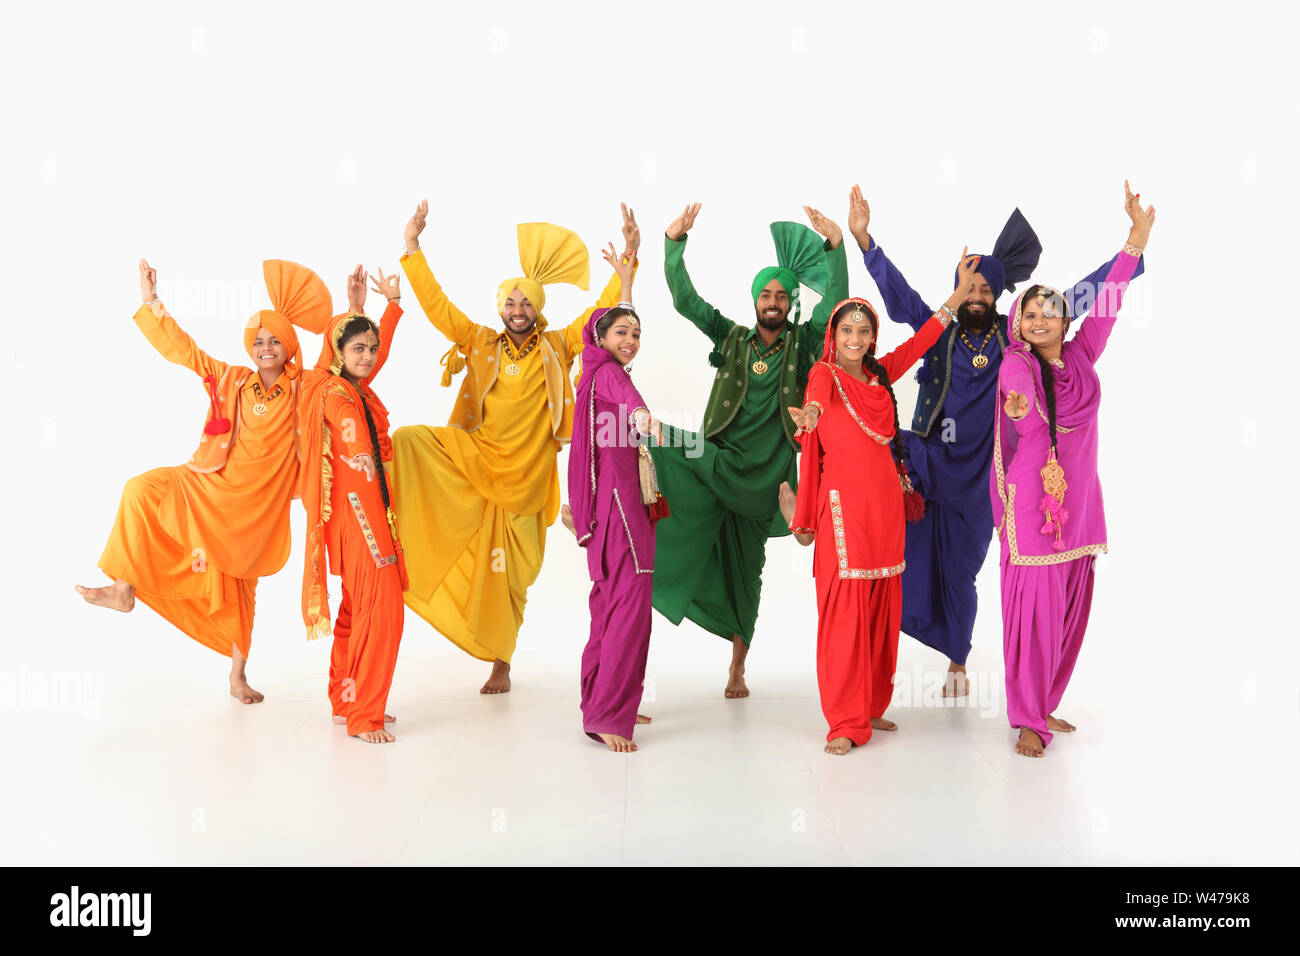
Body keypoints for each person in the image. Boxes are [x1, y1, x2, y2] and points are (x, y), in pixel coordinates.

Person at [850, 185, 1144, 695]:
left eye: (986, 289)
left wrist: (1130, 251)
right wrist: (866, 242)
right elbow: (900, 299)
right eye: (970, 289)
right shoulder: (939, 330)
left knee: (963, 572)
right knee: (909, 552)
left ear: (999, 295)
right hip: (933, 459)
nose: (978, 296)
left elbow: (1073, 298)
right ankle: (873, 656)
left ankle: (958, 659)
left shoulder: (1018, 334)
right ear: (960, 293)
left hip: (986, 476)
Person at [393, 201, 639, 693]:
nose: (518, 310)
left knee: (514, 575)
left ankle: (501, 660)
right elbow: (439, 308)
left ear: (538, 309)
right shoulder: (479, 341)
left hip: (529, 476)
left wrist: (629, 263)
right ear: (500, 307)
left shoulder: (560, 344)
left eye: (526, 303)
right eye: (511, 303)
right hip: (478, 457)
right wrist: (413, 248)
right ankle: (396, 517)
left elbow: (601, 316)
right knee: (407, 440)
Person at [76, 257, 334, 703]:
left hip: (258, 508)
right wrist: (151, 301)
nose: (266, 348)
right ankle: (123, 587)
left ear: (289, 346)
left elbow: (333, 363)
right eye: (259, 341)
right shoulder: (232, 379)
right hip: (211, 487)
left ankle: (237, 677)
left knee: (240, 589)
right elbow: (186, 352)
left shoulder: (305, 389)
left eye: (275, 341)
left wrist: (351, 309)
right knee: (140, 489)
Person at [780, 253, 977, 755]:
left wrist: (956, 296)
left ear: (872, 337)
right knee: (845, 616)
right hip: (843, 512)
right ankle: (844, 721)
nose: (855, 337)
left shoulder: (881, 377)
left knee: (881, 610)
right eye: (847, 328)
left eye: (864, 330)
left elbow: (921, 341)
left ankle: (870, 705)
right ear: (835, 333)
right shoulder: (825, 375)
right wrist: (810, 416)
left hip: (887, 509)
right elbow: (816, 400)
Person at [650, 202, 848, 698]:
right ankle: (606, 514)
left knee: (748, 573)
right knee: (661, 441)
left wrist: (836, 247)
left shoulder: (803, 344)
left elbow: (835, 306)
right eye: (766, 293)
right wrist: (674, 243)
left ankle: (738, 666)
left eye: (782, 294)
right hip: (720, 463)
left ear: (790, 303)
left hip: (768, 478)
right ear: (755, 299)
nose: (774, 300)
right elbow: (686, 302)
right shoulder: (733, 336)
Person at [992, 182, 1154, 757]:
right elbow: (1019, 401)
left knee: (1067, 610)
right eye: (1030, 312)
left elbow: (1107, 304)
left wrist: (1134, 242)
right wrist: (1019, 408)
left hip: (1081, 500)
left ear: (1065, 320)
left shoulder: (1082, 355)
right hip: (1035, 504)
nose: (1040, 320)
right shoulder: (1016, 364)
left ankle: (1045, 703)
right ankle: (1027, 718)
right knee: (1034, 614)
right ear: (1019, 321)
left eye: (1051, 311)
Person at [562, 242, 664, 752]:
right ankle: (609, 713)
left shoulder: (592, 370)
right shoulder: (610, 374)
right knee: (630, 607)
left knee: (609, 606)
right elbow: (633, 404)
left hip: (607, 512)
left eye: (638, 334)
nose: (632, 340)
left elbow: (614, 333)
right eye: (622, 332)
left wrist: (626, 287)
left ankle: (602, 700)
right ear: (601, 337)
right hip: (624, 512)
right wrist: (646, 420)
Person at [299, 268, 406, 743]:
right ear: (338, 353)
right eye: (357, 348)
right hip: (360, 516)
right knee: (383, 610)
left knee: (356, 608)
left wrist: (383, 310)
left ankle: (346, 700)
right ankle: (365, 715)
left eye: (371, 347)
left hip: (362, 512)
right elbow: (346, 423)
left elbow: (365, 367)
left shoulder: (351, 383)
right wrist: (359, 447)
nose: (367, 356)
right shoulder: (336, 393)